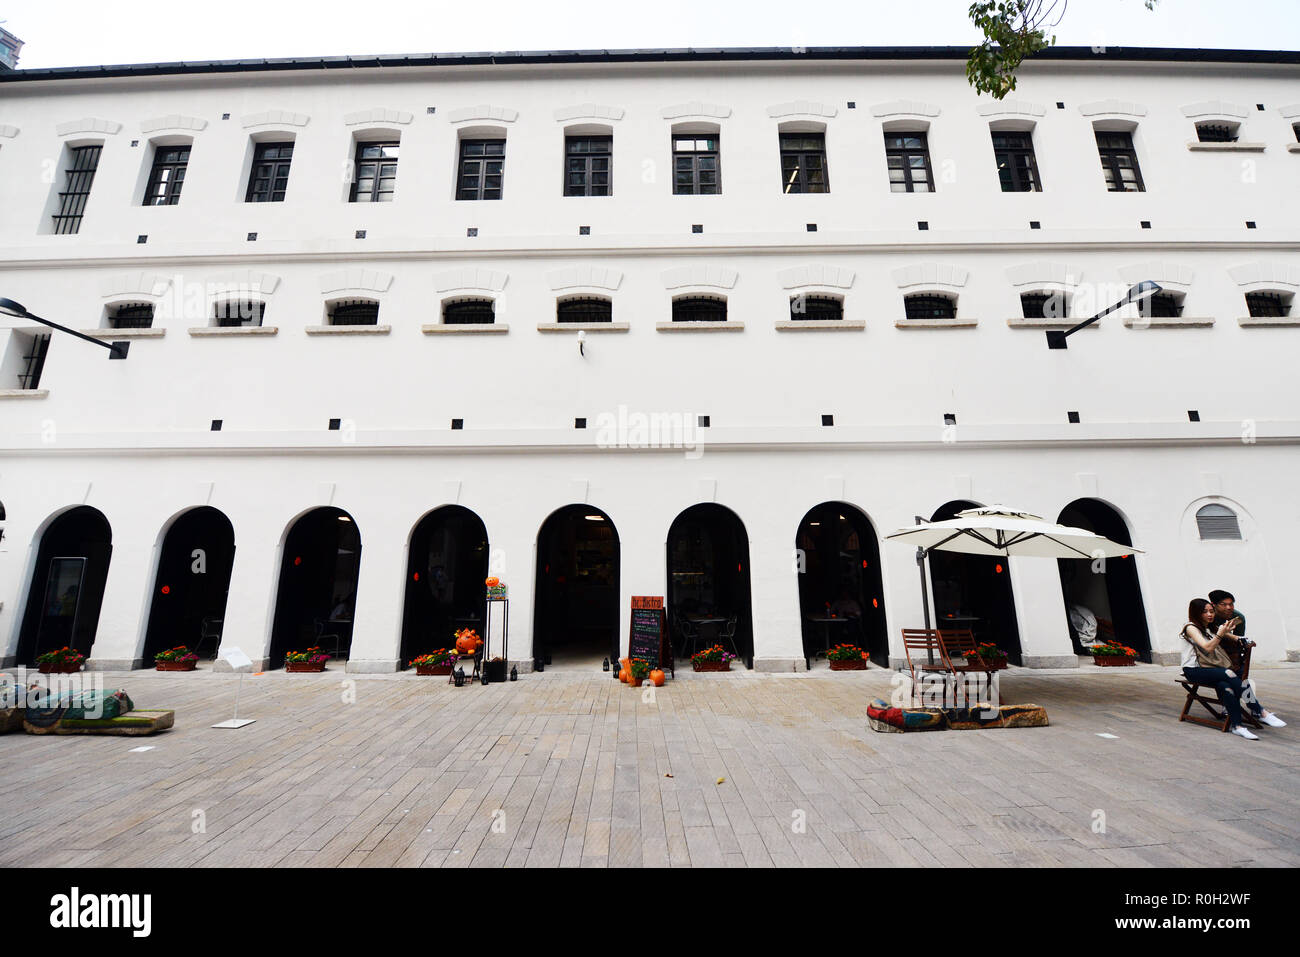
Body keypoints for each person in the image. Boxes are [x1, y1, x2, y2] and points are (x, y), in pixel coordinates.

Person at [1180, 598, 1284, 740]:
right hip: (1193, 671)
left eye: (1211, 611)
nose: (1209, 614)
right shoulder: (1191, 627)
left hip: (1211, 670)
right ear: (1196, 613)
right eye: (1205, 612)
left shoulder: (1209, 627)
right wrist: (1220, 634)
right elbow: (1207, 647)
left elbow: (1233, 636)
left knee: (1226, 687)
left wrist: (1241, 639)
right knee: (1229, 673)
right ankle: (1259, 710)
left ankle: (1237, 726)